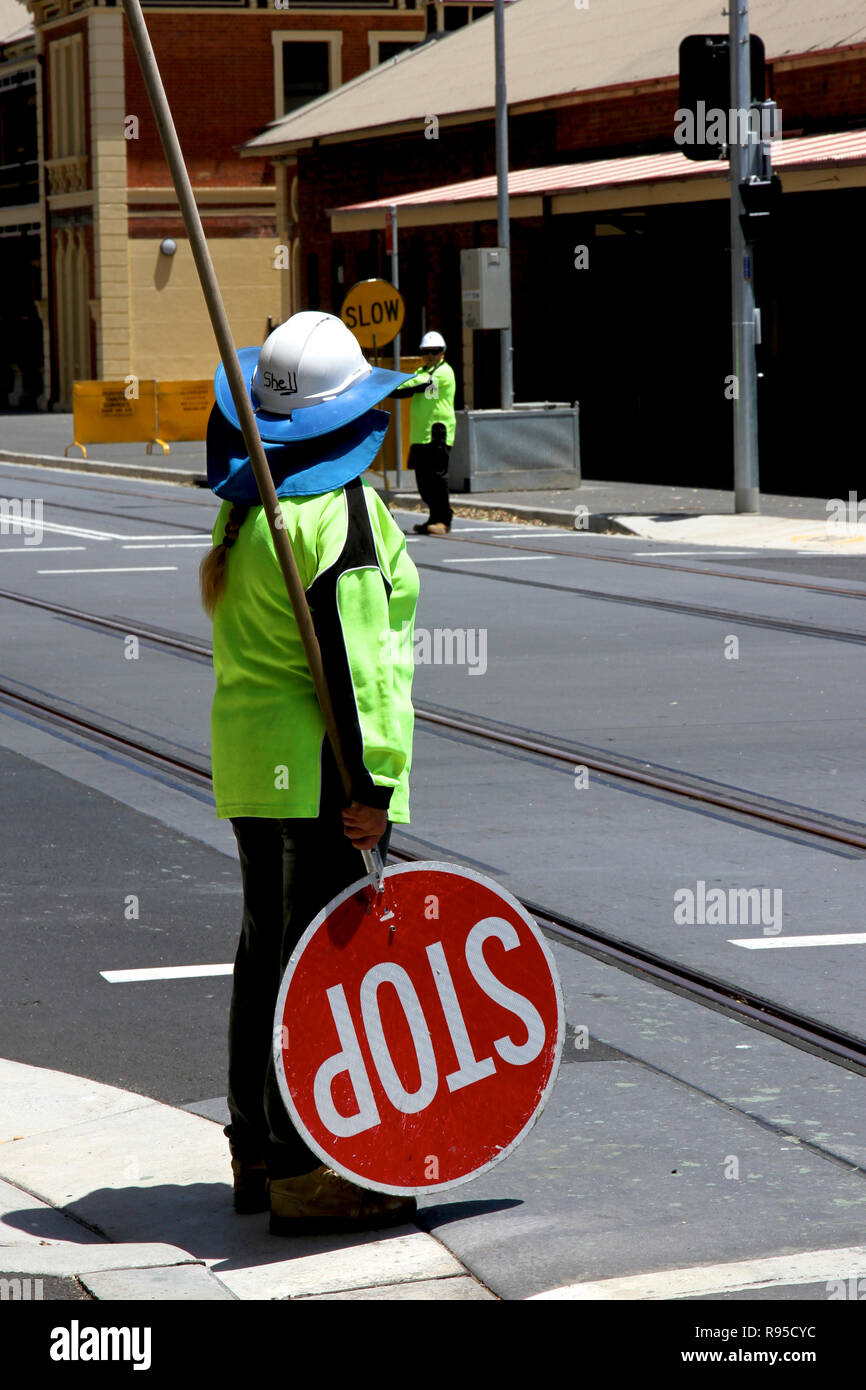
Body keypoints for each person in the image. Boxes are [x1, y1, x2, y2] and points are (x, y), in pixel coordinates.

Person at [199, 310, 420, 1236]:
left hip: (254, 763)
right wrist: (372, 789)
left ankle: (253, 1149)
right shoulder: (347, 514)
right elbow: (358, 667)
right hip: (323, 769)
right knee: (316, 969)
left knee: (267, 953)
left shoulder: (251, 503)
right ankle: (305, 1171)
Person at [390, 329, 456, 535]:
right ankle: (433, 518)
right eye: (426, 351)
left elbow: (414, 385)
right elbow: (410, 386)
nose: (429, 355)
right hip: (420, 435)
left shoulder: (443, 373)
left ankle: (443, 520)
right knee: (424, 482)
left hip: (437, 433)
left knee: (437, 479)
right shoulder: (421, 371)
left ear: (442, 353)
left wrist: (389, 385)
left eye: (434, 351)